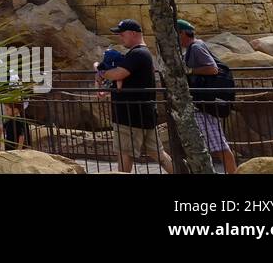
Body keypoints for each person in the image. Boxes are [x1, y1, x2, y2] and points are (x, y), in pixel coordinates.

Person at [96, 19, 174, 173]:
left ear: (133, 33)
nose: (120, 37)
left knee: (125, 154)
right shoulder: (141, 53)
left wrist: (101, 72)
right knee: (157, 153)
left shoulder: (137, 53)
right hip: (143, 114)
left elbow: (118, 73)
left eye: (122, 34)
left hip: (130, 116)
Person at [177, 19, 237, 174]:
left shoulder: (196, 47)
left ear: (182, 33)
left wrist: (190, 71)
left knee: (219, 147)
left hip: (205, 103)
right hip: (201, 103)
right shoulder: (192, 48)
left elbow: (212, 69)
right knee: (210, 146)